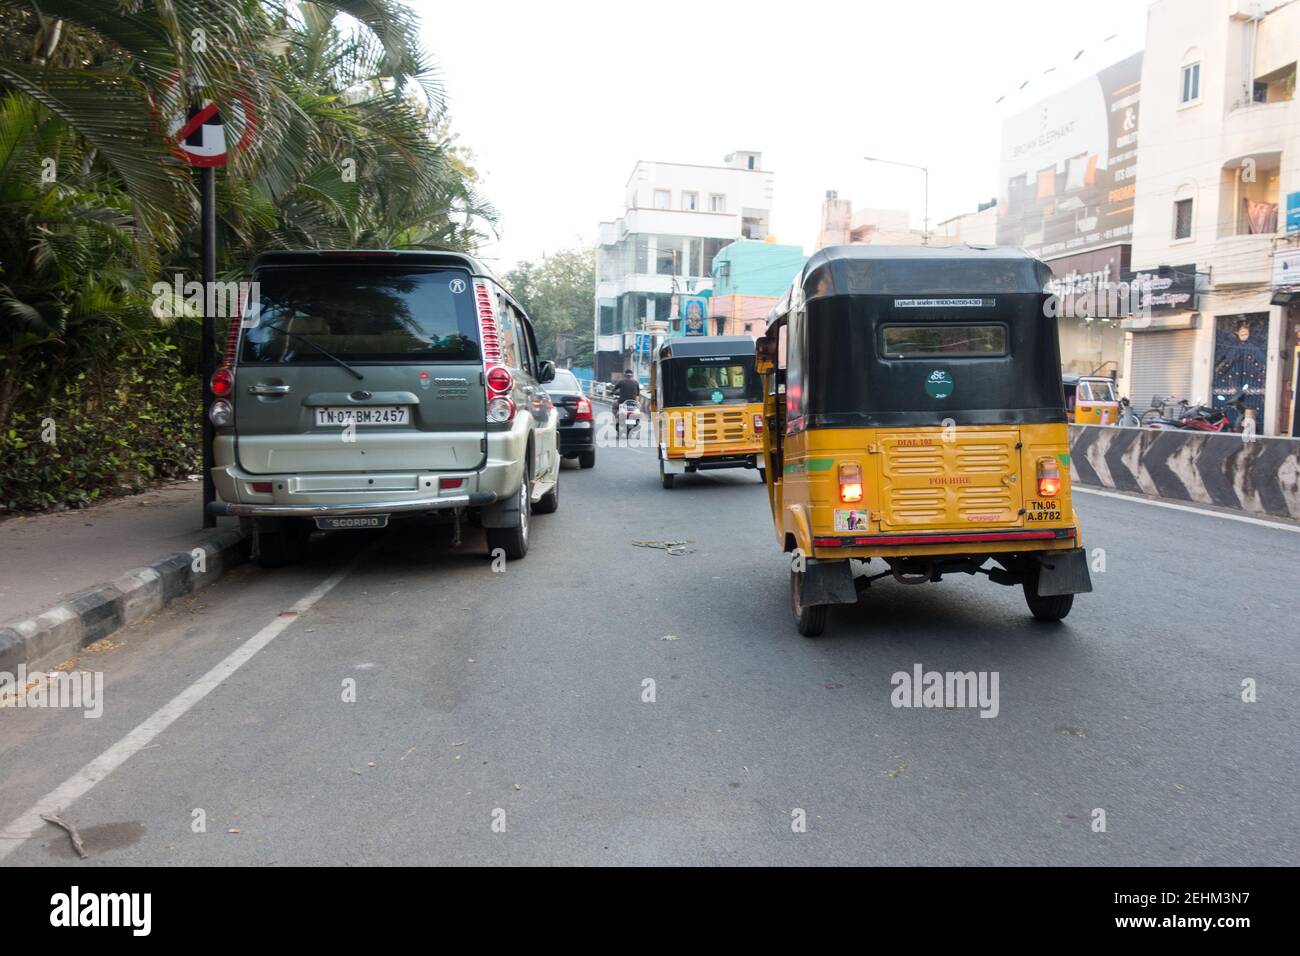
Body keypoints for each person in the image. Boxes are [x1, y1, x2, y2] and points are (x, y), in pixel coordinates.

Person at [612, 369, 640, 438]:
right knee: (638, 406)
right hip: (633, 403)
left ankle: (616, 417)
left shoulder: (621, 382)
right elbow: (638, 393)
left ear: (625, 374)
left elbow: (614, 389)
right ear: (632, 375)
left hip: (622, 402)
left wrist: (612, 392)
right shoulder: (636, 382)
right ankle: (637, 420)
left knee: (614, 404)